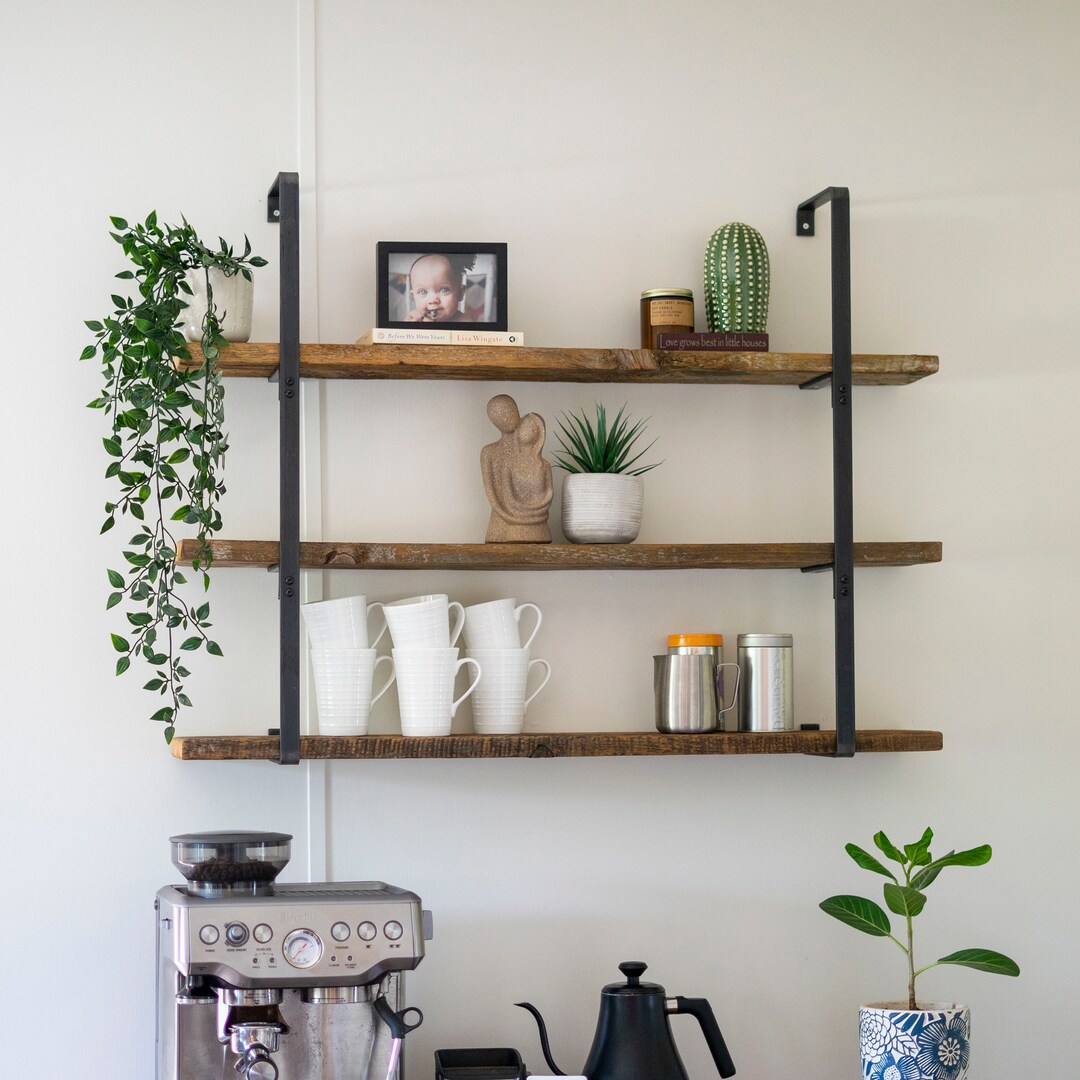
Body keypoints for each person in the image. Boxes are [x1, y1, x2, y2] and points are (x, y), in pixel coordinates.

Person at [481, 394, 553, 543]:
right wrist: (509, 515)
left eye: (509, 410)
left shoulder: (531, 441)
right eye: (498, 415)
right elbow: (491, 494)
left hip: (535, 521)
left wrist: (533, 511)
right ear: (493, 421)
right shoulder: (489, 452)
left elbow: (545, 490)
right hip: (502, 522)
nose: (505, 418)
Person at [403, 252, 475, 323]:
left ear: (460, 293)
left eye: (444, 290)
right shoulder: (412, 318)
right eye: (423, 292)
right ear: (413, 296)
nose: (433, 300)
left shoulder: (464, 321)